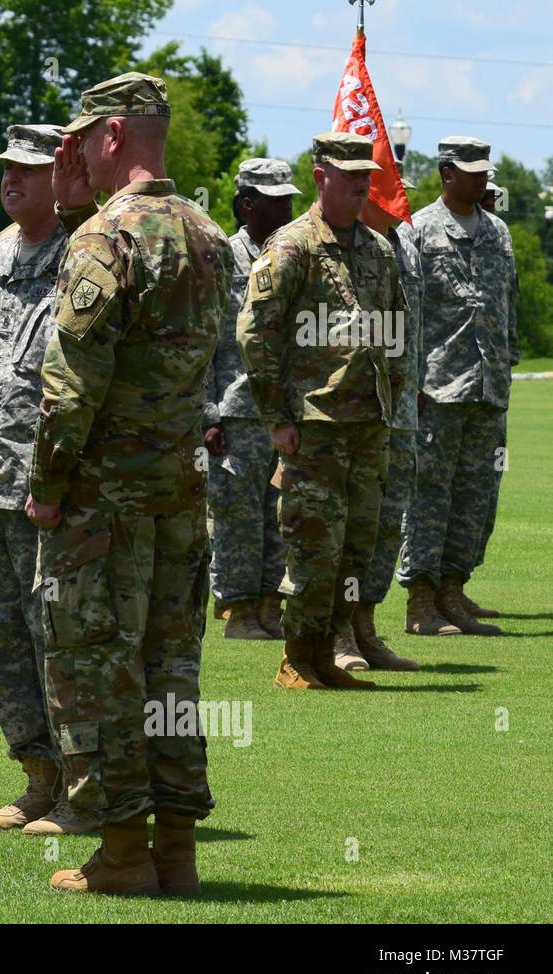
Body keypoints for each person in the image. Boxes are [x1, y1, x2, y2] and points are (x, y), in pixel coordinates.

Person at [26, 73, 231, 895]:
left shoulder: (106, 238)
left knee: (97, 666)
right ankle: (173, 849)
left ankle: (119, 851)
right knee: (171, 667)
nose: (68, 153)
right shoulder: (208, 233)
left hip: (103, 504)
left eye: (80, 139)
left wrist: (46, 483)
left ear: (113, 135)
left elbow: (70, 385)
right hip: (179, 494)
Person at [0, 123, 95, 837]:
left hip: (51, 492)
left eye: (28, 171)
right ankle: (36, 777)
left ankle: (82, 788)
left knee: (59, 639)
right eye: (6, 169)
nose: (12, 180)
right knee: (0, 641)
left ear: (59, 179)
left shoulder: (82, 257)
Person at [237, 132, 409, 692]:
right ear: (320, 177)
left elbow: (397, 331)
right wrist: (276, 418)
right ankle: (296, 658)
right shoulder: (292, 247)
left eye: (367, 177)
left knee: (357, 549)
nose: (362, 186)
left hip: (368, 427)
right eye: (350, 176)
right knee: (314, 546)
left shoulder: (379, 250)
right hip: (313, 428)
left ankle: (331, 653)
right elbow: (255, 333)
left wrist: (393, 398)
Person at [397, 137, 517, 636]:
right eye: (470, 171)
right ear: (446, 173)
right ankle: (420, 602)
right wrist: (410, 387)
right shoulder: (419, 231)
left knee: (476, 496)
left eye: (484, 171)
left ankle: (453, 589)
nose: (481, 179)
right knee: (429, 496)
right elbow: (404, 313)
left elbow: (509, 307)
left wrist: (507, 365)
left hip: (488, 389)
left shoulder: (498, 232)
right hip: (437, 390)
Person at [203, 158, 298, 641]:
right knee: (237, 516)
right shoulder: (220, 255)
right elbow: (202, 340)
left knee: (281, 514)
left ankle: (268, 605)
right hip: (236, 411)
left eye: (289, 200)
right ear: (247, 204)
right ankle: (238, 611)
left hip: (287, 409)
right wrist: (208, 413)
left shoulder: (295, 256)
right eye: (276, 201)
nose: (286, 209)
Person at [346, 196, 422, 672]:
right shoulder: (327, 249)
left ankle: (365, 625)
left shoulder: (405, 247)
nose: (397, 202)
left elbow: (412, 325)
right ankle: (333, 632)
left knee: (386, 522)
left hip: (400, 406)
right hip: (346, 411)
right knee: (343, 525)